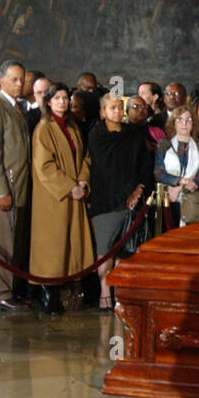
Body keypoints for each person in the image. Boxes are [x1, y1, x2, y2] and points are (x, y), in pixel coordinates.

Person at [31, 81, 93, 315]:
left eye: (65, 98)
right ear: (48, 101)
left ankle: (69, 293)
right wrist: (69, 187)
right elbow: (44, 166)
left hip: (75, 192)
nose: (62, 102)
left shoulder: (73, 126)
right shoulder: (44, 128)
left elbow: (85, 157)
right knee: (52, 246)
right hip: (54, 198)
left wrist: (82, 181)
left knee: (71, 244)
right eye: (57, 98)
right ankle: (49, 295)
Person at [87, 97, 151, 309]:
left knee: (125, 250)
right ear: (103, 111)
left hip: (131, 201)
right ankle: (105, 292)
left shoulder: (132, 134)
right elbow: (102, 168)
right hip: (105, 200)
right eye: (112, 108)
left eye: (119, 108)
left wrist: (137, 189)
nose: (117, 112)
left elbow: (142, 164)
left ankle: (120, 294)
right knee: (105, 249)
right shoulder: (97, 136)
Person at [0, 59, 33, 309]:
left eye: (22, 79)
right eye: (14, 79)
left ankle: (13, 289)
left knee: (16, 242)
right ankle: (1, 291)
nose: (19, 83)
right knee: (3, 241)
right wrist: (1, 190)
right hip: (6, 189)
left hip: (20, 186)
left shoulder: (16, 108)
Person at [154, 105, 199, 227]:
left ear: (193, 123)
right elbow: (158, 173)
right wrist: (179, 181)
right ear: (173, 123)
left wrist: (179, 188)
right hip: (167, 199)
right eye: (179, 119)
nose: (184, 123)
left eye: (188, 120)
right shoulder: (164, 144)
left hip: (191, 201)